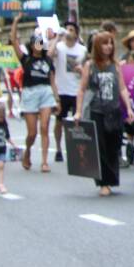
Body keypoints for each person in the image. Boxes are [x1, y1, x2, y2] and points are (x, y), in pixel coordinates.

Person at [75, 32, 134, 197]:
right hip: (97, 111)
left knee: (113, 146)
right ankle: (103, 182)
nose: (108, 47)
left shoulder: (115, 65)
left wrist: (128, 108)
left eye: (110, 43)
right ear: (97, 46)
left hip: (114, 110)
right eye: (104, 43)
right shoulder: (90, 65)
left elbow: (122, 87)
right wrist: (78, 111)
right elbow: (81, 89)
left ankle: (112, 179)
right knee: (100, 148)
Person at [9, 16, 59, 172]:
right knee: (32, 132)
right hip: (30, 93)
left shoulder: (48, 60)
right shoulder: (26, 60)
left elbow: (52, 81)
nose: (38, 45)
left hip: (45, 92)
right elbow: (13, 41)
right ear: (31, 45)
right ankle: (28, 151)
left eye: (40, 42)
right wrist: (16, 22)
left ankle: (44, 161)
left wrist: (57, 99)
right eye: (35, 43)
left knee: (44, 127)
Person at [51, 21, 88, 163]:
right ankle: (58, 148)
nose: (68, 32)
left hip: (77, 89)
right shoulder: (59, 47)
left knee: (78, 122)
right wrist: (56, 37)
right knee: (59, 121)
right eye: (67, 29)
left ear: (76, 34)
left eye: (71, 30)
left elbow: (87, 68)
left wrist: (82, 70)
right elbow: (49, 54)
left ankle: (78, 149)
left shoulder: (82, 50)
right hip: (61, 89)